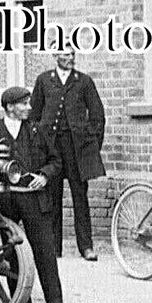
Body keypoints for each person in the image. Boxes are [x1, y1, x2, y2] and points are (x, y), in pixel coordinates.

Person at [0, 87, 66, 303]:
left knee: (44, 249)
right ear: (9, 107)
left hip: (34, 198)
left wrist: (44, 175)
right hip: (5, 199)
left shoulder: (38, 130)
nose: (29, 107)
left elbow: (56, 161)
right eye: (24, 104)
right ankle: (21, 300)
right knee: (11, 250)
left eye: (28, 103)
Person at [29, 46, 106, 260]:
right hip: (52, 149)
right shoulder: (44, 80)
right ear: (55, 55)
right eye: (65, 54)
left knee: (80, 196)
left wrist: (91, 147)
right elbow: (33, 116)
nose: (70, 58)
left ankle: (86, 246)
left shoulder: (84, 81)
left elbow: (98, 116)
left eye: (72, 54)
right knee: (52, 196)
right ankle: (54, 248)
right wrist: (39, 145)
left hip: (76, 149)